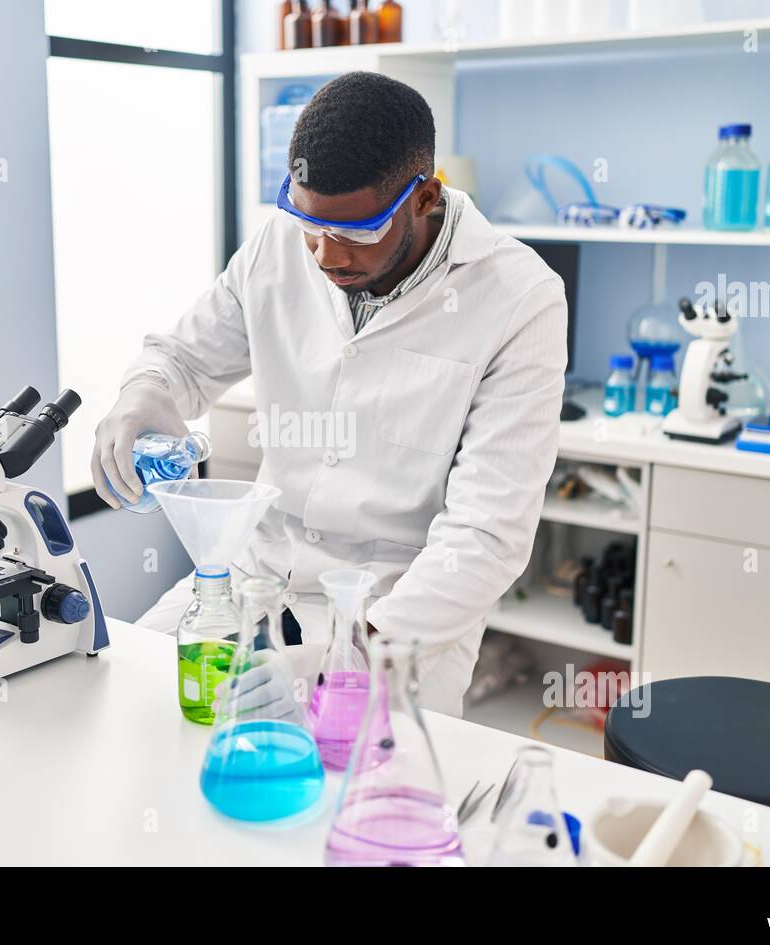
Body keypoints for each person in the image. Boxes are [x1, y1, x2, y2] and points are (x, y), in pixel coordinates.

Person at [92, 71, 566, 716]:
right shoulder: (281, 244)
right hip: (253, 578)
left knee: (345, 800)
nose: (323, 255)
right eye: (308, 226)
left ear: (425, 196)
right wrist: (142, 394)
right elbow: (180, 356)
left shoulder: (518, 296)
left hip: (394, 614)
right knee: (127, 704)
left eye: (354, 234)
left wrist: (344, 661)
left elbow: (485, 535)